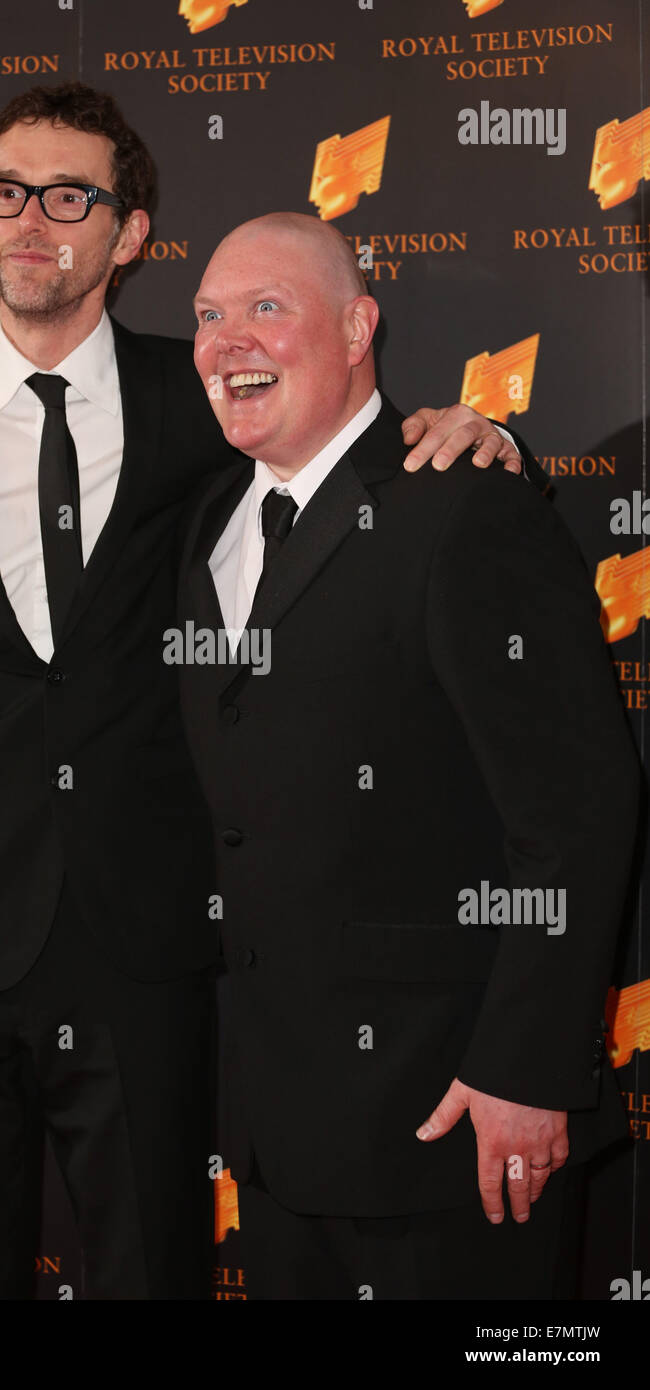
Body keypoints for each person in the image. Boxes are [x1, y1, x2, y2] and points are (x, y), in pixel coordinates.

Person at [0, 83, 535, 1301]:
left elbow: (336, 462)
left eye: (67, 196)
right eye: (3, 193)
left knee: (155, 1270)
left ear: (128, 232)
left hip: (145, 941)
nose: (29, 220)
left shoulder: (203, 395)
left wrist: (474, 439)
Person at [176, 211, 641, 1300]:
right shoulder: (204, 524)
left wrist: (525, 1071)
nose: (226, 340)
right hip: (278, 1140)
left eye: (264, 309)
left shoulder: (464, 502)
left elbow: (576, 806)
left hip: (455, 1129)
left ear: (356, 327)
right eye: (205, 316)